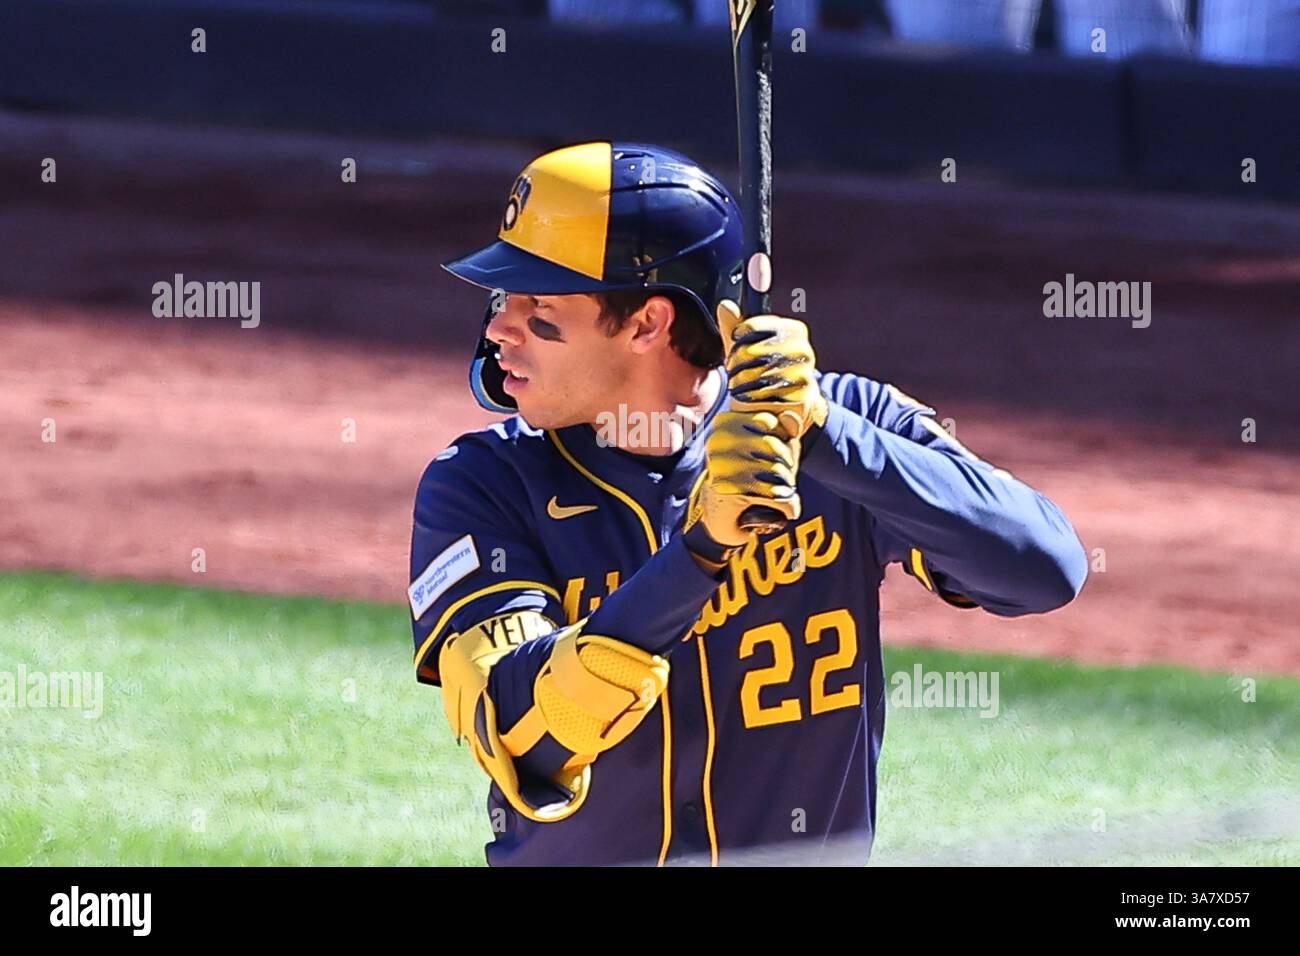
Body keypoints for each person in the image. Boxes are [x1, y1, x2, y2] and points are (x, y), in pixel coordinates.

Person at [409, 141, 1087, 866]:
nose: (497, 328)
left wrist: (825, 436)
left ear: (648, 324)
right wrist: (696, 557)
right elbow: (525, 733)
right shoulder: (483, 482)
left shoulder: (838, 425)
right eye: (502, 299)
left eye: (539, 305)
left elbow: (1045, 568)